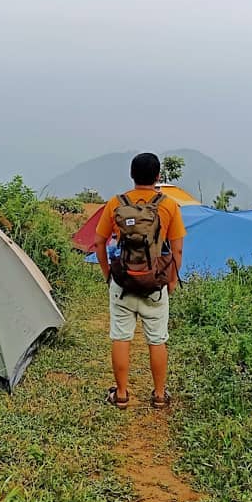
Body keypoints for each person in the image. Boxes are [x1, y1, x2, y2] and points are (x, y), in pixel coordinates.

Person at [94, 152, 186, 409]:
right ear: (158, 177)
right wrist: (172, 281)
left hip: (122, 283)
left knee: (121, 337)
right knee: (157, 339)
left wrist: (108, 274)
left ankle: (121, 394)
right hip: (155, 284)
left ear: (132, 175)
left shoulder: (116, 203)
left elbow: (99, 243)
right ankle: (158, 395)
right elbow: (177, 249)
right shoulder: (168, 205)